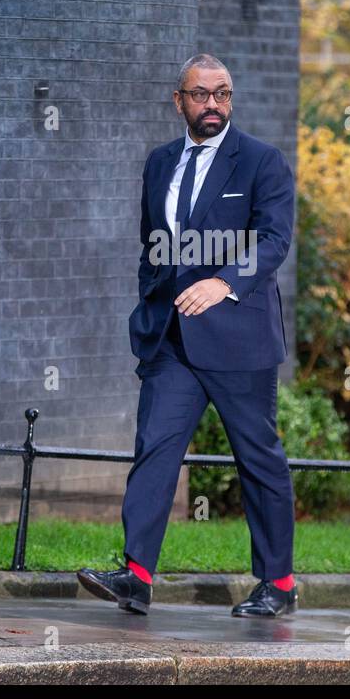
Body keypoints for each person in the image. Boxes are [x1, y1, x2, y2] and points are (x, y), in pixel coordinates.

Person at [77, 54, 298, 617]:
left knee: (258, 459)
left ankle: (279, 584)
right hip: (171, 338)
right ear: (179, 101)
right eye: (201, 95)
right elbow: (152, 242)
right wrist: (149, 300)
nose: (213, 106)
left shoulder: (261, 162)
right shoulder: (159, 163)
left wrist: (223, 283)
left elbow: (272, 242)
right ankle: (136, 575)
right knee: (154, 448)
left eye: (222, 94)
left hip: (238, 340)